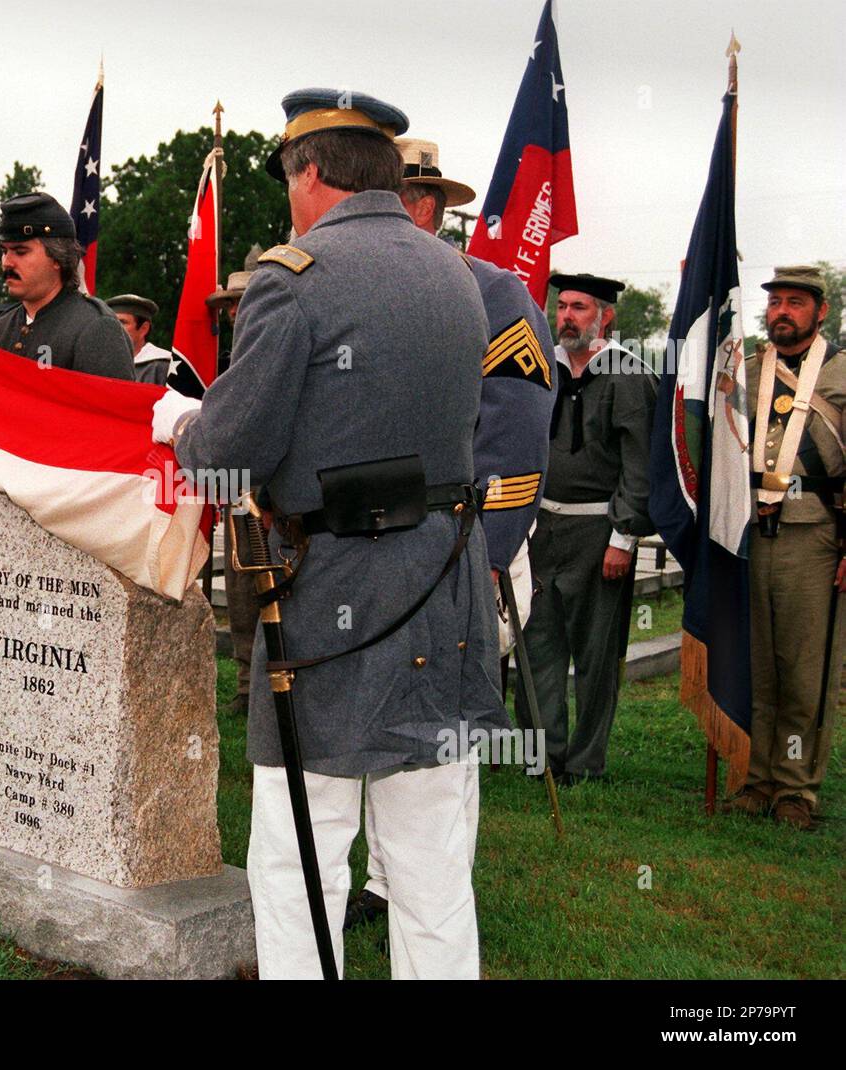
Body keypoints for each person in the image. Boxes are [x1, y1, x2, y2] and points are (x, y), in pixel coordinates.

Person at [153, 88, 505, 980]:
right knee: (429, 857)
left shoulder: (296, 275)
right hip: (443, 588)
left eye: (288, 178)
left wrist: (183, 428)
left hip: (335, 594)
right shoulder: (456, 276)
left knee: (300, 846)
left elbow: (228, 454)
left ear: (310, 173)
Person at [349, 136, 558, 930]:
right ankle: (382, 877)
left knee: (448, 728)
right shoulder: (352, 287)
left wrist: (488, 551)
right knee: (377, 709)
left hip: (467, 546)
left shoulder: (494, 294)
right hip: (375, 546)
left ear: (426, 207)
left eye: (389, 197)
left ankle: (434, 889)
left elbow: (517, 425)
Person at [513, 273, 656, 786]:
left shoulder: (629, 377)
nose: (567, 316)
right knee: (538, 643)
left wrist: (624, 537)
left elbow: (639, 468)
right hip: (541, 526)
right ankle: (543, 756)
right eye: (562, 305)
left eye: (579, 307)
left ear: (605, 316)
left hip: (600, 534)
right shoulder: (539, 370)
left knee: (595, 655)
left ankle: (585, 762)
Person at [726, 266, 844, 830]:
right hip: (753, 531)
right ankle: (758, 777)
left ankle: (797, 787)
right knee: (759, 665)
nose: (782, 313)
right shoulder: (749, 372)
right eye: (775, 303)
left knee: (804, 669)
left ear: (820, 311)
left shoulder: (842, 374)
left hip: (814, 533)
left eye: (795, 303)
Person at [0, 194, 134, 381]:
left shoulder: (96, 328)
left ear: (57, 257)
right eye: (4, 251)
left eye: (20, 252)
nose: (7, 262)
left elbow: (112, 408)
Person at [206, 251, 265, 716]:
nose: (231, 312)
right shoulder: (233, 357)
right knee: (242, 593)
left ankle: (271, 687)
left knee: (275, 594)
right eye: (229, 304)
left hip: (277, 495)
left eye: (240, 302)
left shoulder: (272, 348)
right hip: (241, 489)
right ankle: (248, 688)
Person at [106, 294, 173, 385]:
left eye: (122, 322)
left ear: (143, 329)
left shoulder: (161, 367)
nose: (115, 327)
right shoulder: (102, 365)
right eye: (112, 322)